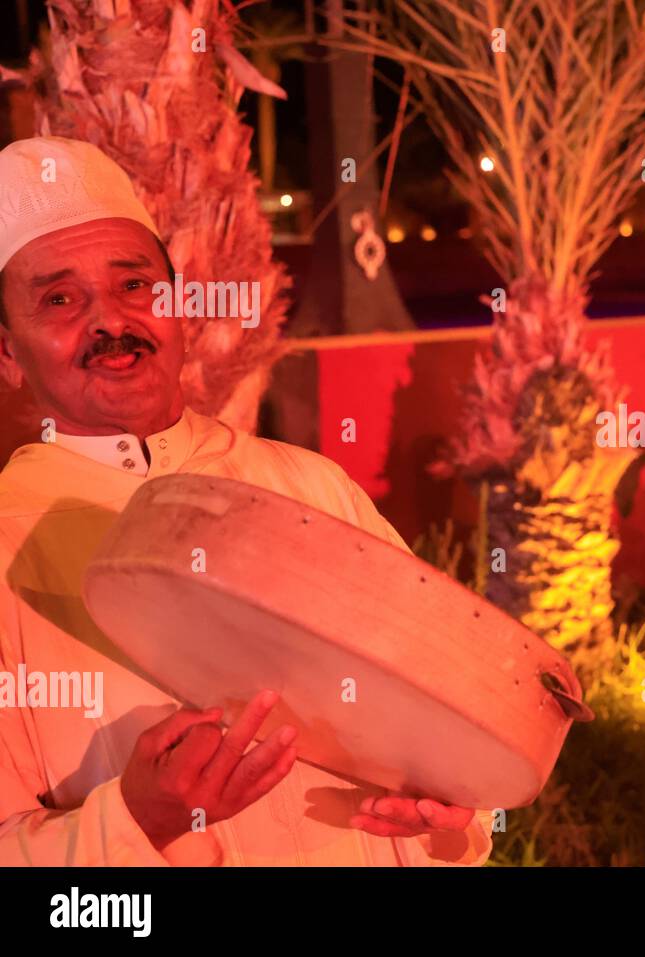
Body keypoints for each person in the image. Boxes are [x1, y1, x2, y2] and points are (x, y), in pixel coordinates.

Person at [0, 136, 492, 865]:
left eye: (135, 285)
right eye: (60, 299)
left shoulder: (312, 487)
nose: (111, 323)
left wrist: (445, 807)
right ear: (7, 352)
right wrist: (138, 819)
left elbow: (441, 741)